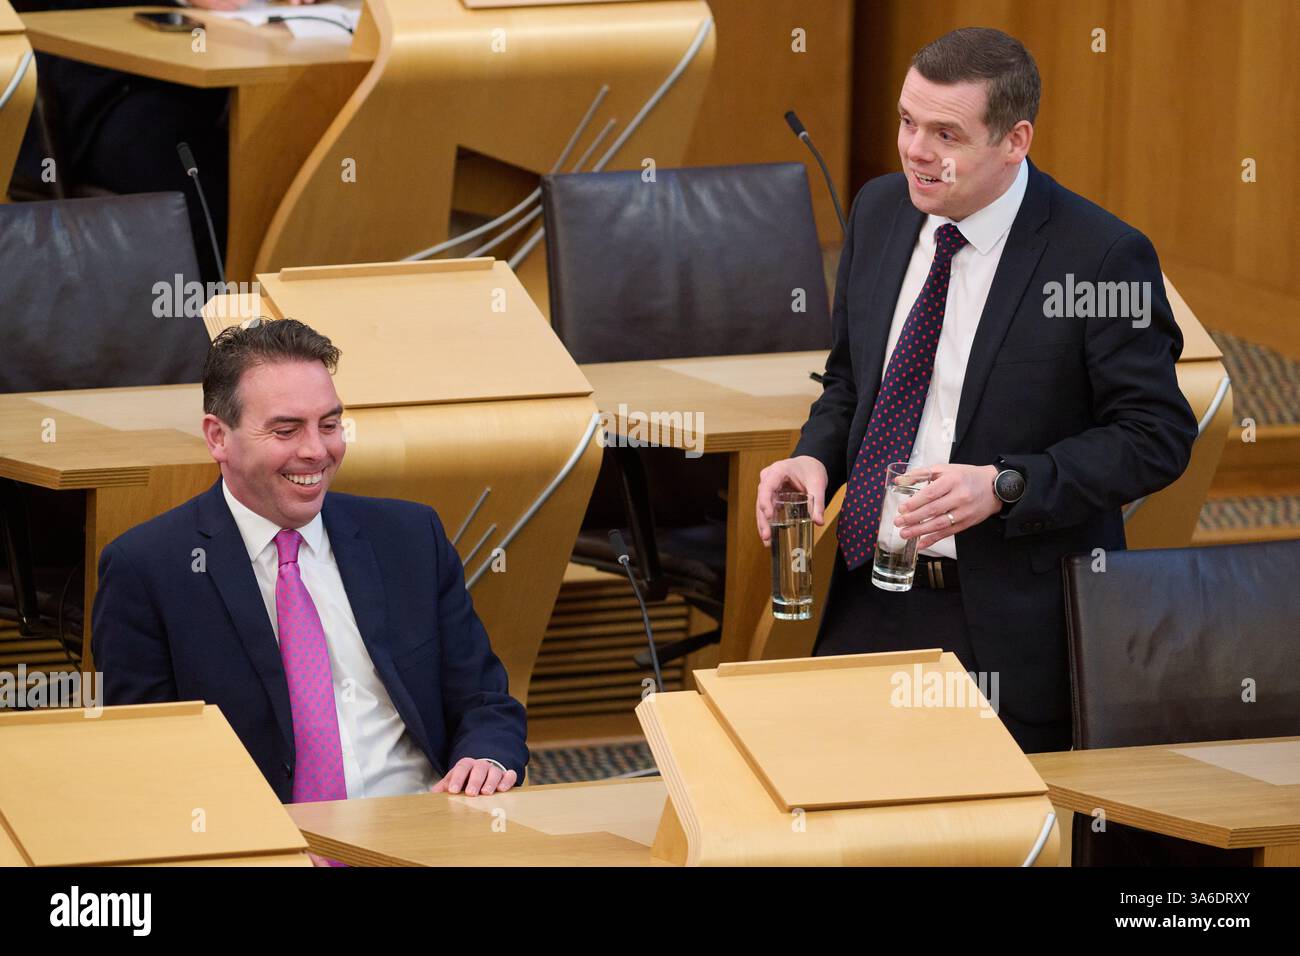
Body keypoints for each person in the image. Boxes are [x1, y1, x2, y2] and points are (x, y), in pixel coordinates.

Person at [755, 27, 1197, 753]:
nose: (914, 150)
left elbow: (1155, 435)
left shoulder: (1099, 258)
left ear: (1015, 141)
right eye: (906, 120)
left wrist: (1006, 485)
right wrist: (815, 459)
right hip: (868, 590)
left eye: (945, 133)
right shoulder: (882, 210)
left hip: (1004, 623)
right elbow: (852, 380)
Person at [93, 318, 527, 801]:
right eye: (286, 430)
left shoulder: (409, 537)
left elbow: (485, 700)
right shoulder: (148, 568)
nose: (317, 451)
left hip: (426, 823)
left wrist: (485, 758)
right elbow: (143, 759)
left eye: (329, 425)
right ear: (218, 437)